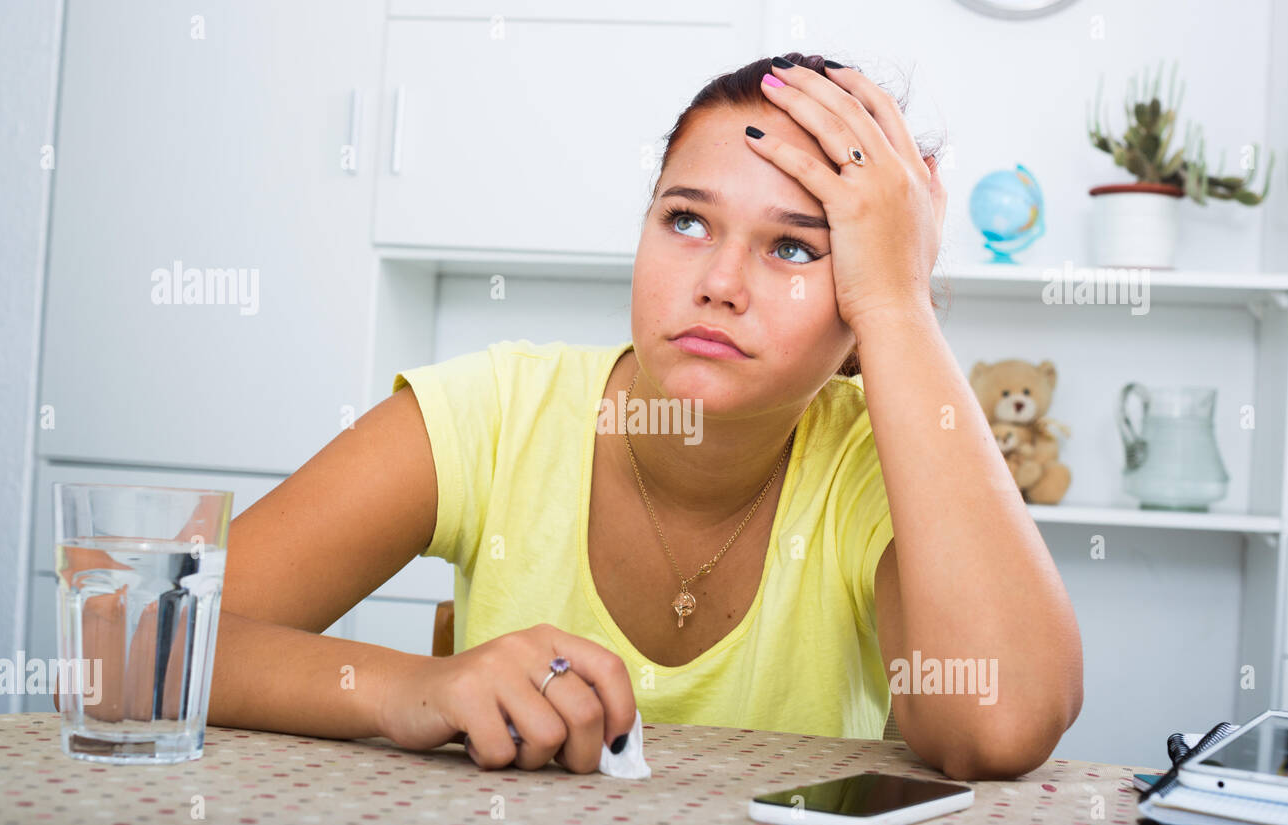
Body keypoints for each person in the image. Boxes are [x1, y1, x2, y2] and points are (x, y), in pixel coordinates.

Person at [210, 53, 1084, 781]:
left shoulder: (875, 464)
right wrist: (409, 689)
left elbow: (998, 727)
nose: (718, 283)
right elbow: (147, 638)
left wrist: (899, 306)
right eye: (687, 220)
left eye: (792, 246)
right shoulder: (496, 413)